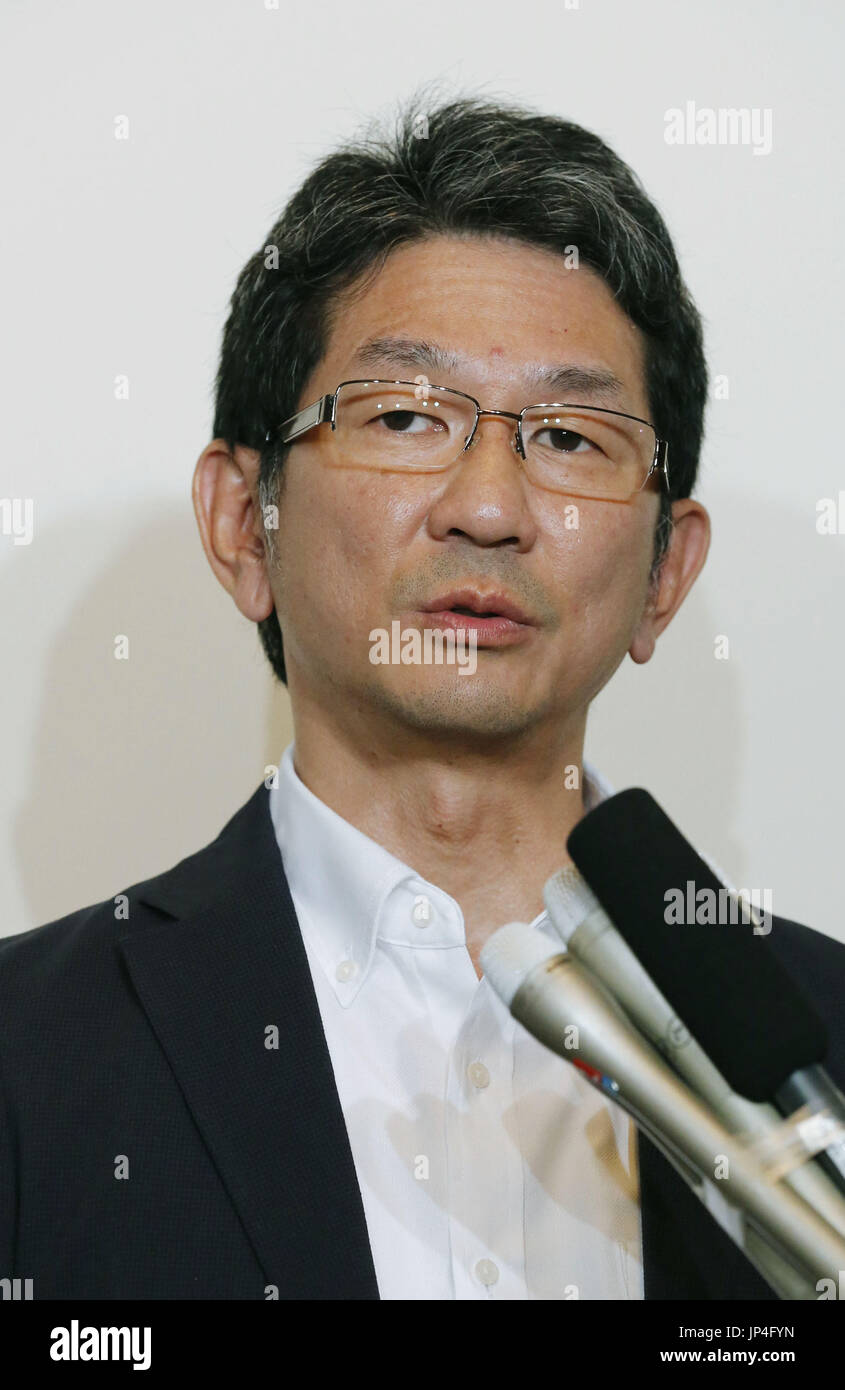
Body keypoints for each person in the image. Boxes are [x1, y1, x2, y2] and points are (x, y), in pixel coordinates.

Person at [2, 94, 843, 1301]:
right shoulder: (30, 1055)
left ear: (665, 571)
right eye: (403, 415)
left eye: (569, 435)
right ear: (246, 523)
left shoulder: (815, 1044)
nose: (488, 505)